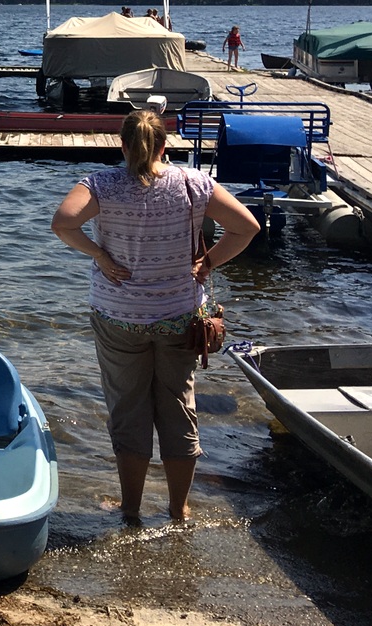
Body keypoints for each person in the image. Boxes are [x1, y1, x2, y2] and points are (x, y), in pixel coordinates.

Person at [50, 111, 259, 523]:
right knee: (178, 407)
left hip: (119, 316)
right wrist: (208, 263)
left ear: (123, 146)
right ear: (164, 146)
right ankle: (179, 508)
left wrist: (99, 255)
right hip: (179, 315)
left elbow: (63, 223)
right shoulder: (193, 182)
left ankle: (130, 509)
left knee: (129, 409)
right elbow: (246, 227)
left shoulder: (101, 184)